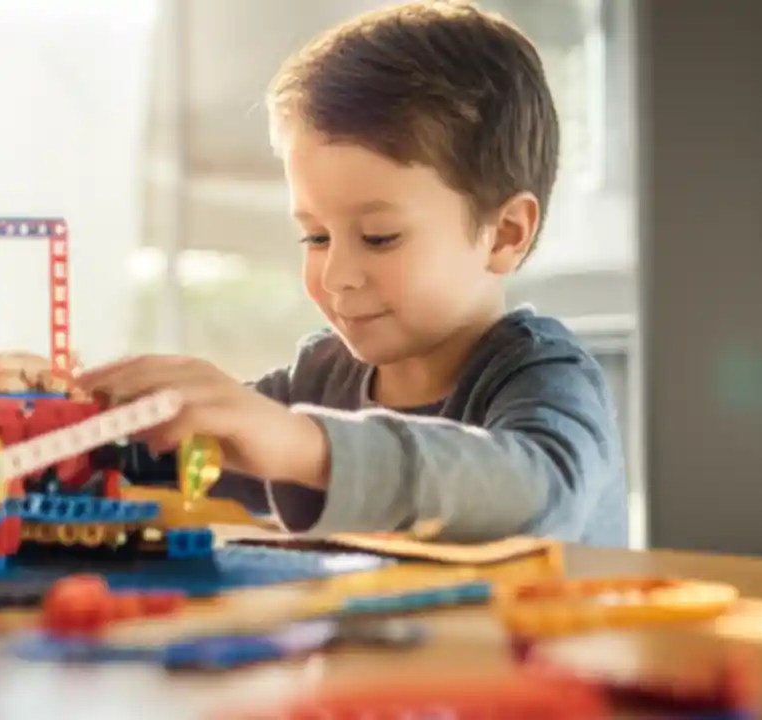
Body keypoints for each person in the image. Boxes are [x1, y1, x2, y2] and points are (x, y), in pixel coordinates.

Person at [76, 0, 627, 546]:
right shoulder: (317, 382)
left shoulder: (543, 377)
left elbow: (539, 493)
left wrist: (308, 449)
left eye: (379, 237)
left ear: (506, 233)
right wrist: (66, 420)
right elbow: (169, 455)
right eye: (315, 236)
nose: (337, 274)